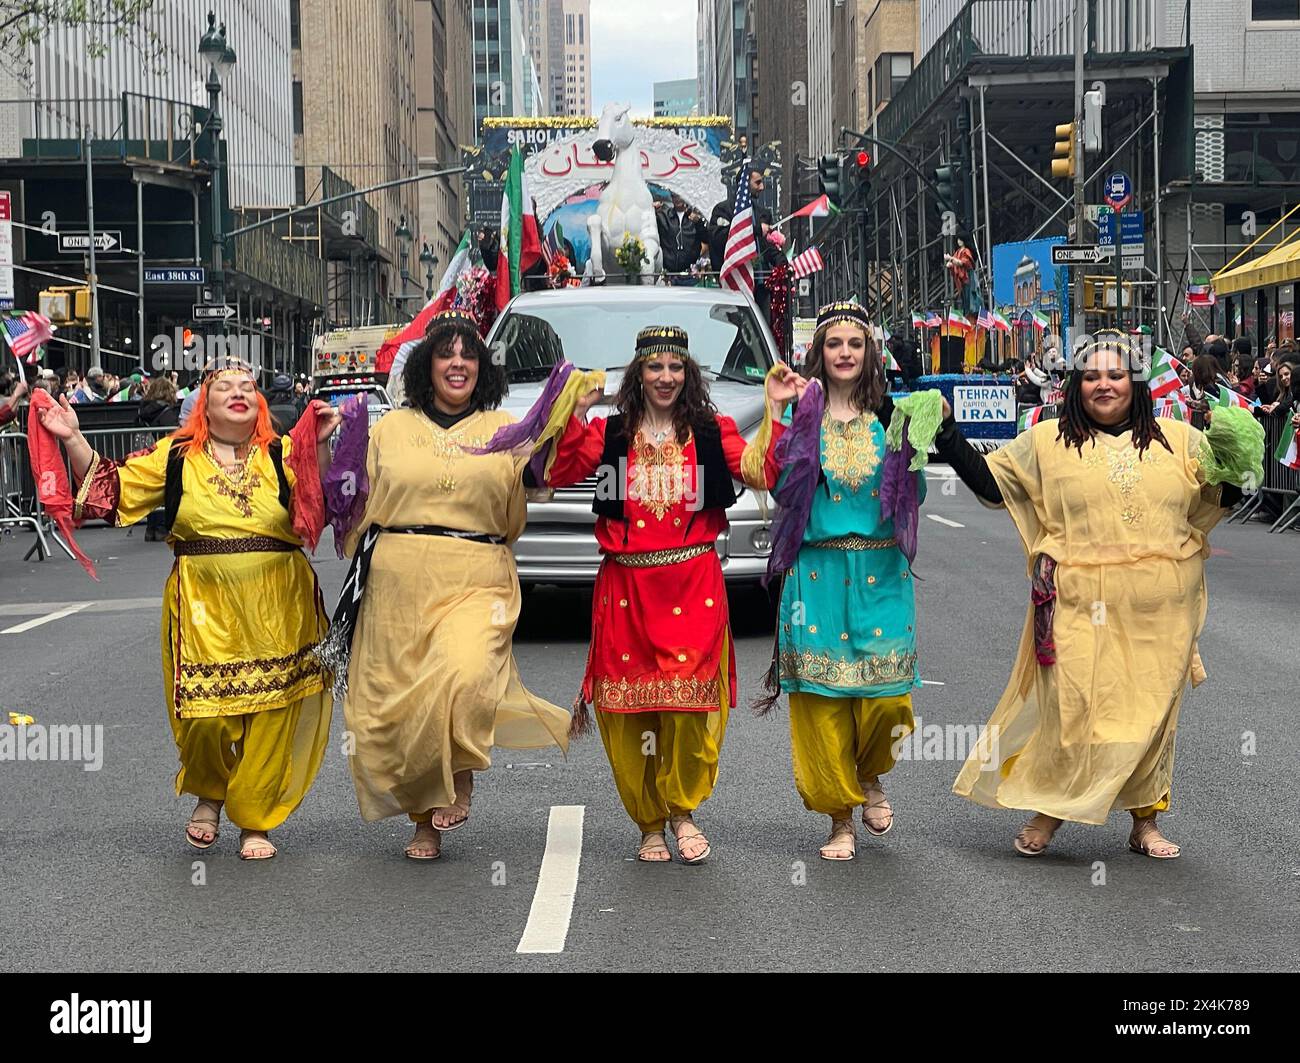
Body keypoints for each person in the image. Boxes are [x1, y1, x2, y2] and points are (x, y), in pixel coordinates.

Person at [938, 331, 1263, 858]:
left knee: (1151, 715)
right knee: (1077, 708)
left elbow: (1221, 495)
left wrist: (1240, 453)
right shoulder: (1047, 440)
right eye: (1092, 376)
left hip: (1163, 607)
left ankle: (1145, 820)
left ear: (1136, 385)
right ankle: (1053, 809)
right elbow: (992, 485)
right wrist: (948, 432)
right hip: (1073, 601)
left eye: (1115, 375)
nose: (1104, 385)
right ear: (1075, 386)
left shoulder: (1178, 439)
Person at [35, 359, 341, 859]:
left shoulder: (282, 451)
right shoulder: (177, 456)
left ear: (260, 402)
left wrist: (322, 443)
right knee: (205, 717)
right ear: (204, 402)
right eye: (224, 387)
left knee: (270, 713)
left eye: (248, 386)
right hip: (202, 605)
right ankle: (209, 791)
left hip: (280, 605)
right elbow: (112, 491)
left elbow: (316, 503)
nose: (238, 392)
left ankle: (255, 819)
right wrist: (72, 438)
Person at [321, 310, 570, 861]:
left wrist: (565, 409)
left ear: (482, 367)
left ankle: (458, 769)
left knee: (464, 673)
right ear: (426, 365)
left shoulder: (506, 430)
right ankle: (423, 823)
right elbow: (343, 502)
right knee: (400, 708)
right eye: (445, 353)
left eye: (469, 354)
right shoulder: (388, 429)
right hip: (396, 579)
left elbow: (545, 475)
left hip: (477, 574)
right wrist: (328, 446)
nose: (457, 363)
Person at [539, 325, 790, 863]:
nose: (666, 377)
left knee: (688, 706)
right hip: (626, 586)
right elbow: (556, 471)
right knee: (632, 714)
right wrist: (575, 411)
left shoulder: (710, 428)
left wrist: (774, 410)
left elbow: (760, 472)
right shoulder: (611, 433)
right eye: (655, 367)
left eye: (676, 367)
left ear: (688, 374)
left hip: (692, 583)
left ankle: (684, 811)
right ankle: (649, 823)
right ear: (638, 373)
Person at [759, 301, 940, 860]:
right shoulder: (800, 415)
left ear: (869, 354)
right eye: (834, 343)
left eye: (854, 344)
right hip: (816, 572)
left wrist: (916, 444)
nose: (844, 353)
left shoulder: (891, 417)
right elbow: (774, 483)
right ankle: (839, 817)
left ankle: (869, 775)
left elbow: (917, 497)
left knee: (887, 699)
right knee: (822, 701)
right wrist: (780, 413)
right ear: (819, 353)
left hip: (882, 571)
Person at [136, 375, 182, 542]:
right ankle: (162, 526)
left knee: (150, 487)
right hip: (162, 453)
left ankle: (151, 527)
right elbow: (172, 434)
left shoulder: (143, 409)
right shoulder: (167, 412)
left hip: (145, 452)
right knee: (164, 487)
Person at [657, 193, 707, 281]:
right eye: (674, 195)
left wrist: (699, 223)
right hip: (667, 275)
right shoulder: (663, 216)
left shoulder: (696, 215)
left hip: (691, 275)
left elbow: (706, 238)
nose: (677, 198)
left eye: (679, 195)